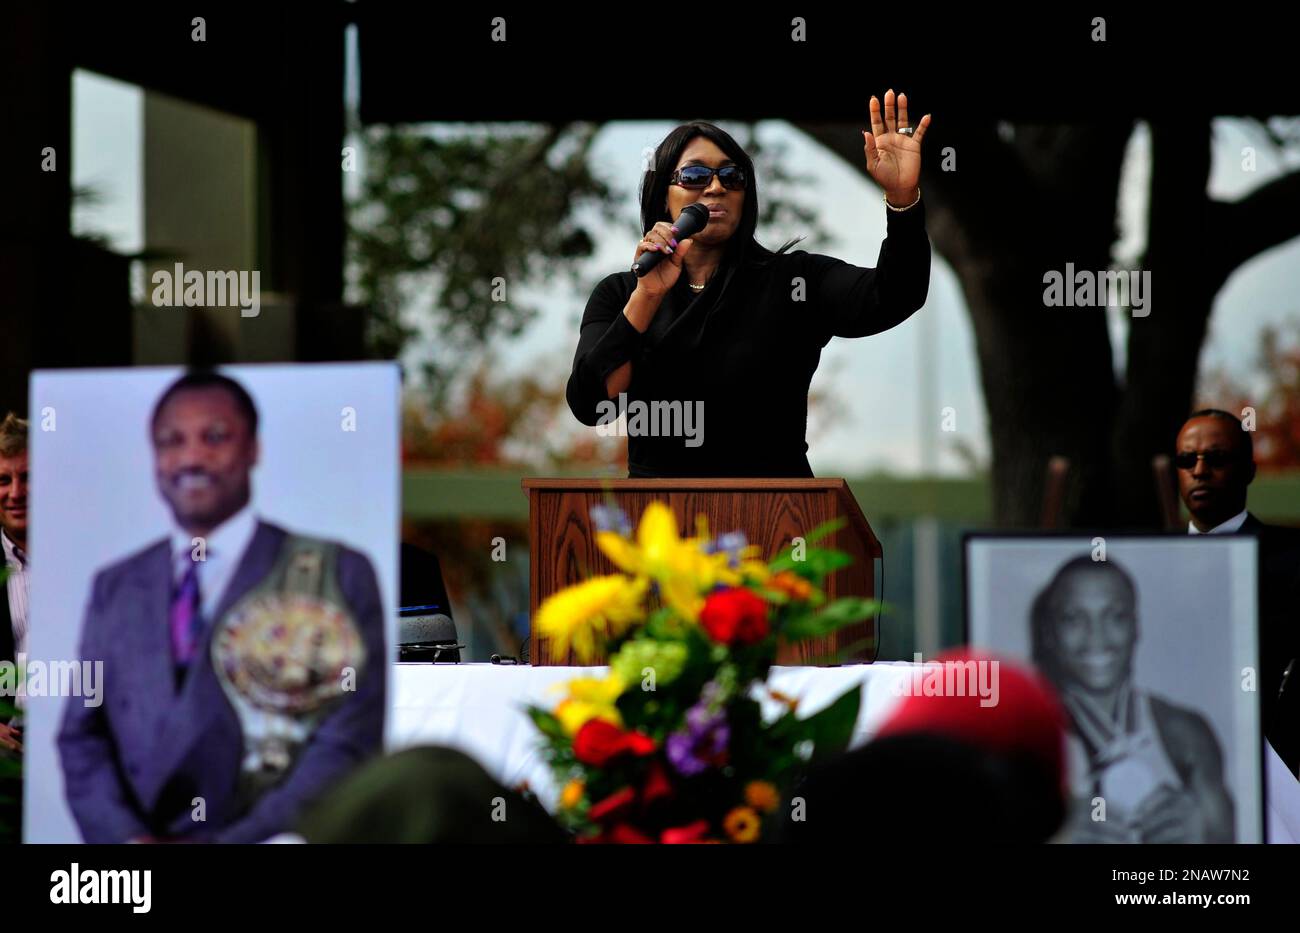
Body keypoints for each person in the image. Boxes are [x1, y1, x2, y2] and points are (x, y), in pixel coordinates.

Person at [57, 370, 386, 842]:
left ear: (254, 449)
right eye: (172, 441)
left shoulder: (338, 573)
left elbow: (345, 740)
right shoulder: (116, 585)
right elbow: (82, 736)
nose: (191, 457)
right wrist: (128, 840)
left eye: (215, 438)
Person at [566, 92, 931, 477]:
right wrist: (647, 296)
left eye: (731, 175)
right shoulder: (621, 294)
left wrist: (902, 198)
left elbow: (895, 295)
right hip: (661, 524)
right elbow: (591, 404)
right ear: (662, 197)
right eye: (694, 176)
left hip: (776, 520)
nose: (716, 187)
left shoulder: (795, 282)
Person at [1030, 556, 1234, 843]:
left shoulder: (1184, 732)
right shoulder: (1024, 737)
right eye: (1074, 618)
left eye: (1115, 616)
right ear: (1050, 633)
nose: (1096, 636)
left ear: (1136, 627)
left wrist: (1203, 834)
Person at [1174, 408, 1300, 774]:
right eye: (1187, 459)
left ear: (1249, 470)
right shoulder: (1153, 563)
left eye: (1216, 458)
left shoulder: (1290, 562)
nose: (1199, 470)